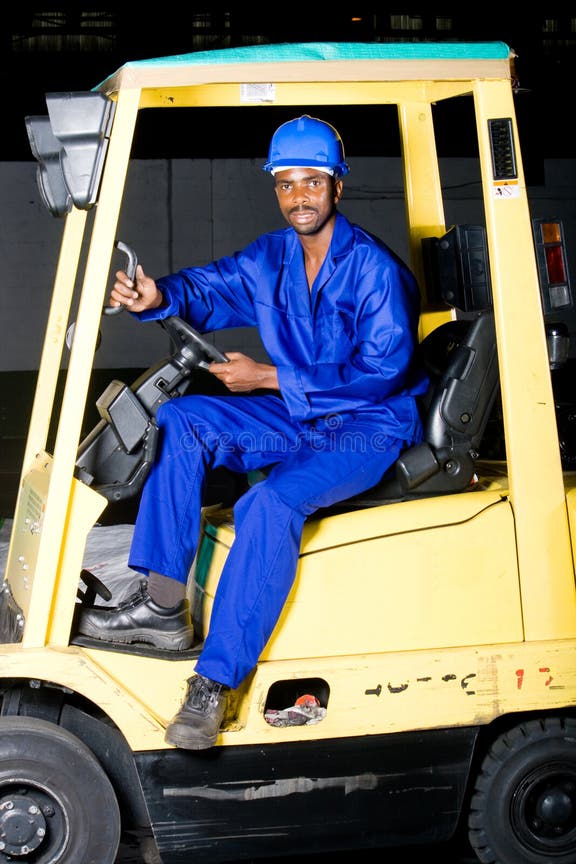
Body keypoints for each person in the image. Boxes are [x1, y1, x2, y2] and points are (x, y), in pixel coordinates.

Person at [76, 114, 428, 750]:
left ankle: (214, 684)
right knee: (183, 417)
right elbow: (209, 289)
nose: (298, 196)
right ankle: (160, 607)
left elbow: (381, 373)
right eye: (286, 184)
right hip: (301, 417)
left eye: (311, 183)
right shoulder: (270, 259)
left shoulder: (374, 270)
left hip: (368, 428)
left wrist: (268, 377)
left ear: (337, 186)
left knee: (267, 501)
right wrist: (158, 295)